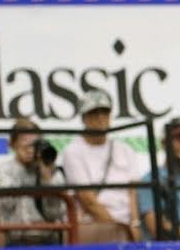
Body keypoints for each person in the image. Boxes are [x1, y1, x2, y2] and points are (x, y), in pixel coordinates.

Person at [59, 90, 140, 234]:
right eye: (94, 113)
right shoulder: (73, 151)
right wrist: (119, 230)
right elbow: (88, 200)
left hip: (127, 226)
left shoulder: (125, 149)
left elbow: (133, 193)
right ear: (83, 118)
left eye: (105, 112)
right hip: (93, 226)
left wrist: (135, 224)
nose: (101, 118)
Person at [0, 117, 68, 246]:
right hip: (17, 241)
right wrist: (21, 167)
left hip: (50, 239)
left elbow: (57, 211)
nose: (30, 148)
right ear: (12, 145)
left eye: (34, 143)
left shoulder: (51, 169)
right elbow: (6, 203)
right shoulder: (5, 169)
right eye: (24, 142)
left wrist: (47, 178)